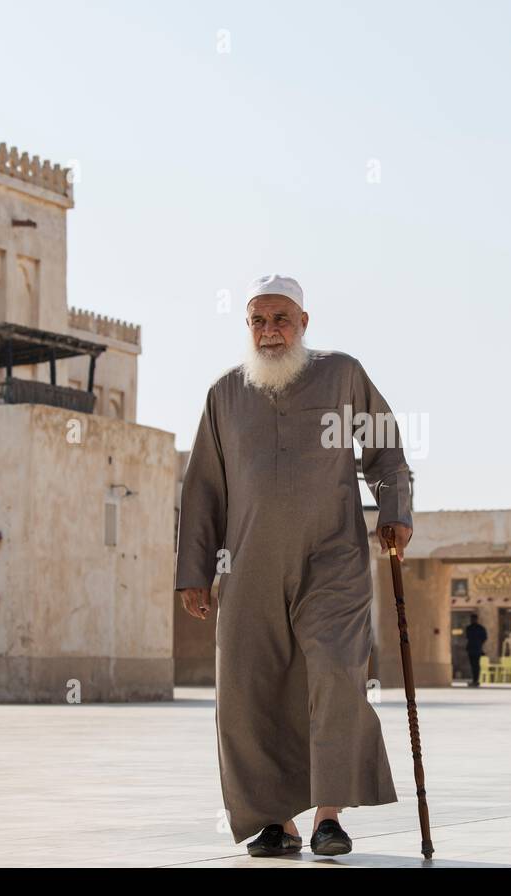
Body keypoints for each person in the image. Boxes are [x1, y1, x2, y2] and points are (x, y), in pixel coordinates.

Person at [175, 274, 414, 858]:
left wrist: (394, 508)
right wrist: (194, 570)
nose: (269, 331)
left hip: (332, 557)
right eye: (257, 320)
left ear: (303, 322)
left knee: (335, 669)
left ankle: (328, 815)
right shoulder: (225, 394)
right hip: (247, 563)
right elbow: (204, 488)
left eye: (280, 318)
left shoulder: (341, 374)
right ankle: (275, 822)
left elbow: (383, 445)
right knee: (249, 687)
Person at [464, 613, 488, 687]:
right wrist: (479, 643)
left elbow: (467, 637)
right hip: (476, 648)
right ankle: (475, 680)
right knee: (475, 665)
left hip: (474, 649)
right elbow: (484, 638)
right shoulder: (480, 628)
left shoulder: (470, 628)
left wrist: (478, 643)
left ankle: (475, 680)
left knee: (475, 665)